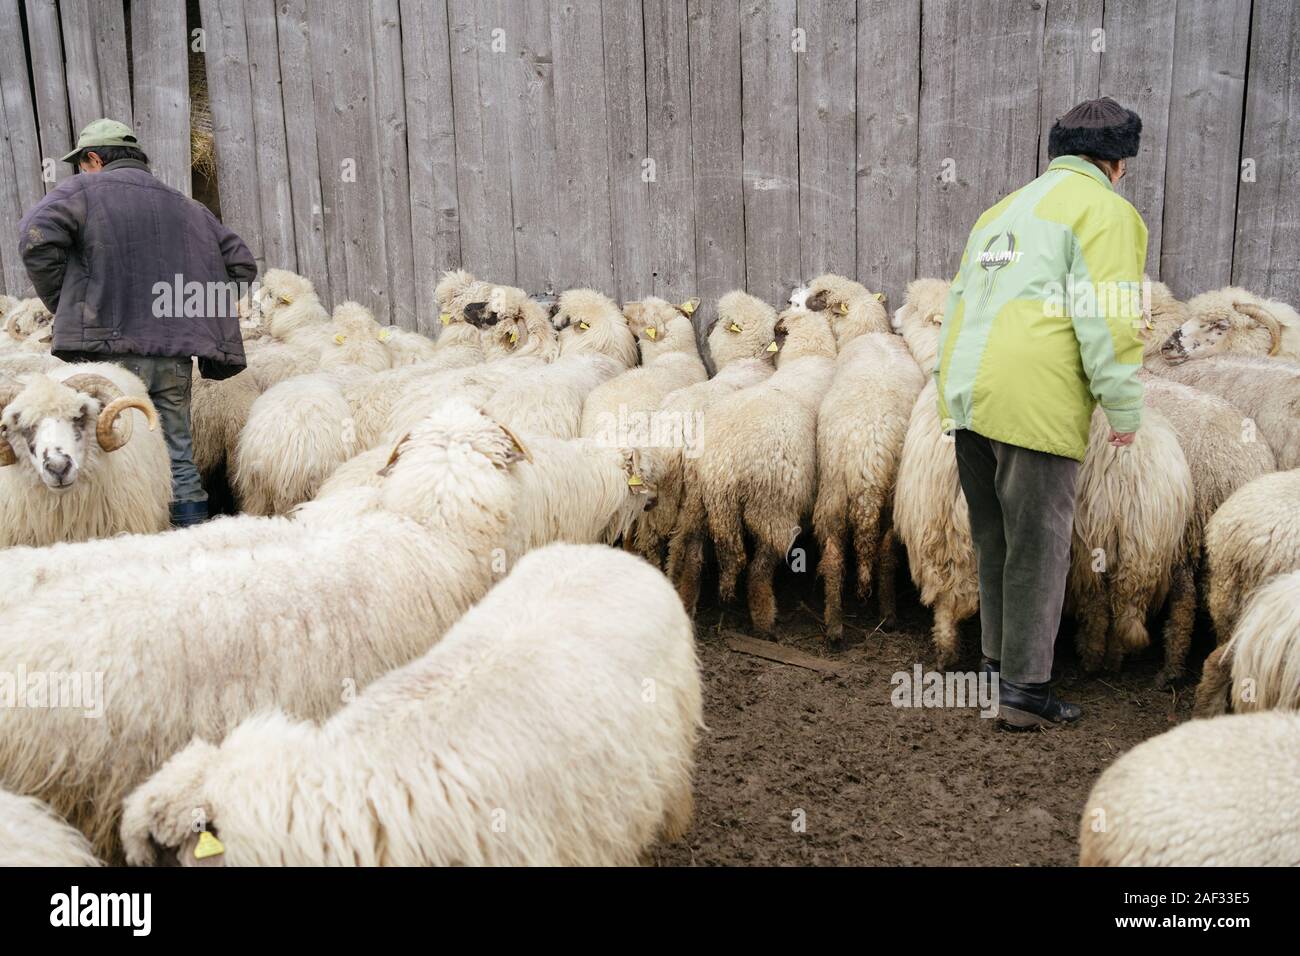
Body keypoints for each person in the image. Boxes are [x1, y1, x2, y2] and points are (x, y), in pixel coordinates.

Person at [934, 97, 1147, 728]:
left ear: (1057, 154)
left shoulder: (1002, 211)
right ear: (1119, 164)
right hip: (1035, 400)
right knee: (1037, 546)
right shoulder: (1107, 212)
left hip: (969, 395)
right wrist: (1124, 404)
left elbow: (960, 301)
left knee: (994, 538)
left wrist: (952, 393)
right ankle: (1025, 693)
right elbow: (1108, 314)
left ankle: (998, 667)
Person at [18, 118, 255, 527]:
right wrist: (191, 308)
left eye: (82, 163)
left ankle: (124, 540)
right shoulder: (187, 206)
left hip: (105, 354)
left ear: (94, 159)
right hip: (172, 356)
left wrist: (68, 300)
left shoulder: (83, 192)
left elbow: (36, 235)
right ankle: (191, 533)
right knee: (177, 448)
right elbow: (240, 264)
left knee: (112, 449)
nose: (82, 171)